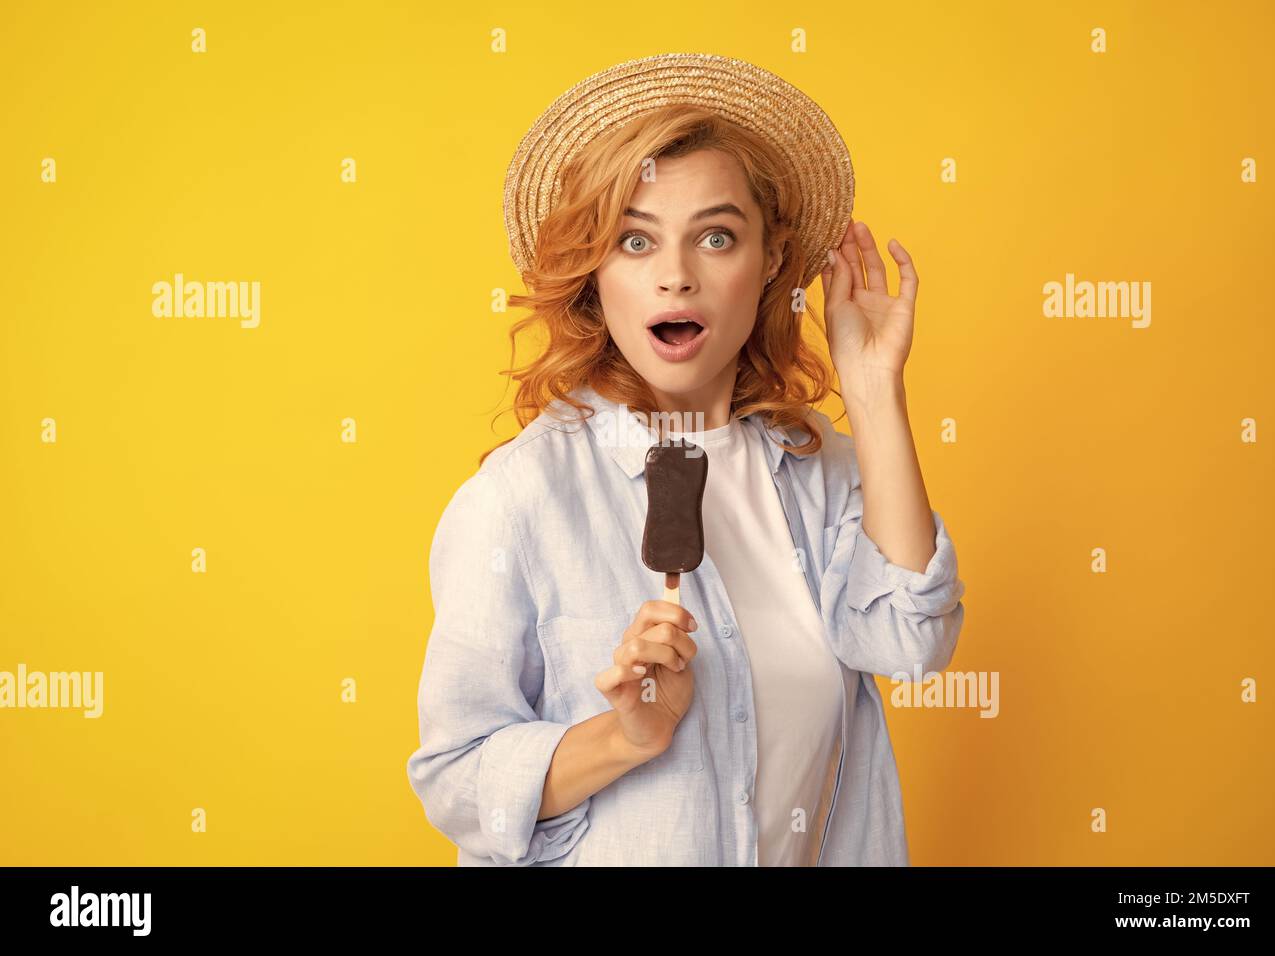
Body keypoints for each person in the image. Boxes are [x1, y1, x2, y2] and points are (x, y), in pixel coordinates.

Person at [406, 53, 966, 866]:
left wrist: (875, 390)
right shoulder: (522, 498)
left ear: (770, 261)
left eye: (716, 237)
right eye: (636, 241)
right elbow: (458, 779)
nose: (676, 277)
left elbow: (912, 645)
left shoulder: (824, 471)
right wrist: (626, 736)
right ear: (596, 276)